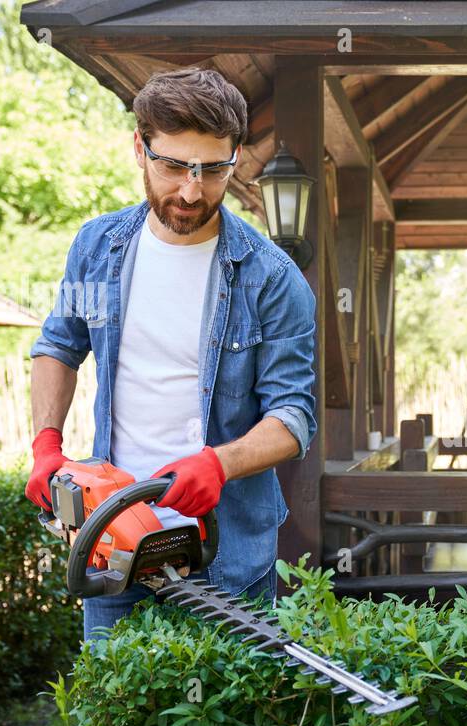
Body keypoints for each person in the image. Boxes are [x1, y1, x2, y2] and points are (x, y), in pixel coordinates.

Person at [24, 68, 317, 644]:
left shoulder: (273, 279)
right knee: (114, 724)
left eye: (213, 170)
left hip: (226, 553)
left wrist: (219, 464)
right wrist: (45, 446)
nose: (191, 191)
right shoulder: (96, 250)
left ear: (236, 157)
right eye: (174, 166)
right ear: (140, 147)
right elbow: (59, 345)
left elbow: (294, 417)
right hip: (114, 539)